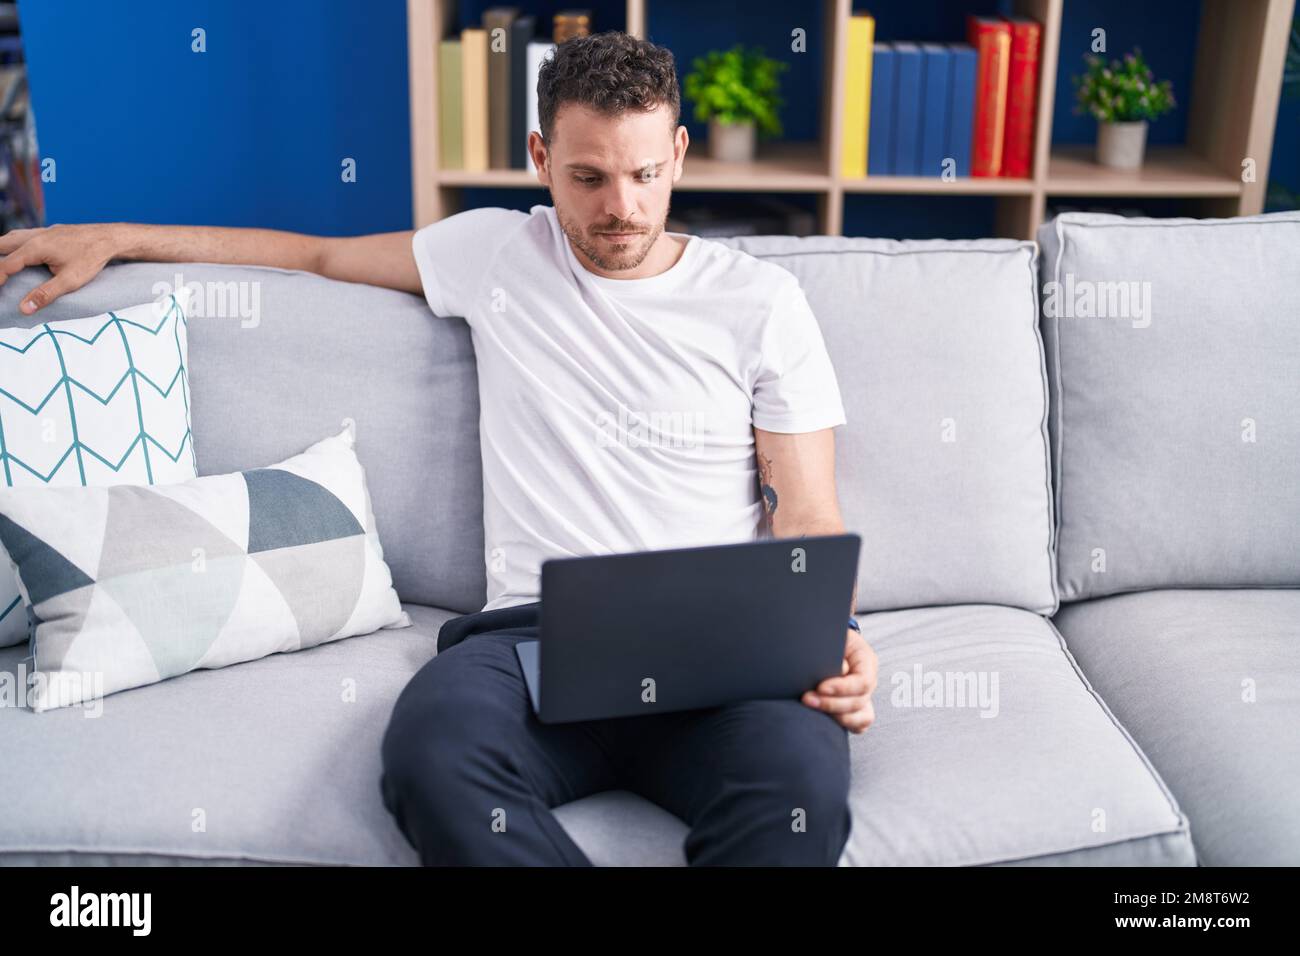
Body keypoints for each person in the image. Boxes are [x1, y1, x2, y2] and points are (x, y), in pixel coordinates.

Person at [0, 30, 878, 866]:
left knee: (799, 791)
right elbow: (314, 256)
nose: (622, 207)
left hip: (716, 650)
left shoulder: (762, 302)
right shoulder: (497, 252)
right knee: (431, 759)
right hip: (532, 641)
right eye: (589, 176)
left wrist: (828, 634)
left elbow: (805, 513)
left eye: (647, 174)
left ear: (680, 153)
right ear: (540, 160)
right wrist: (120, 236)